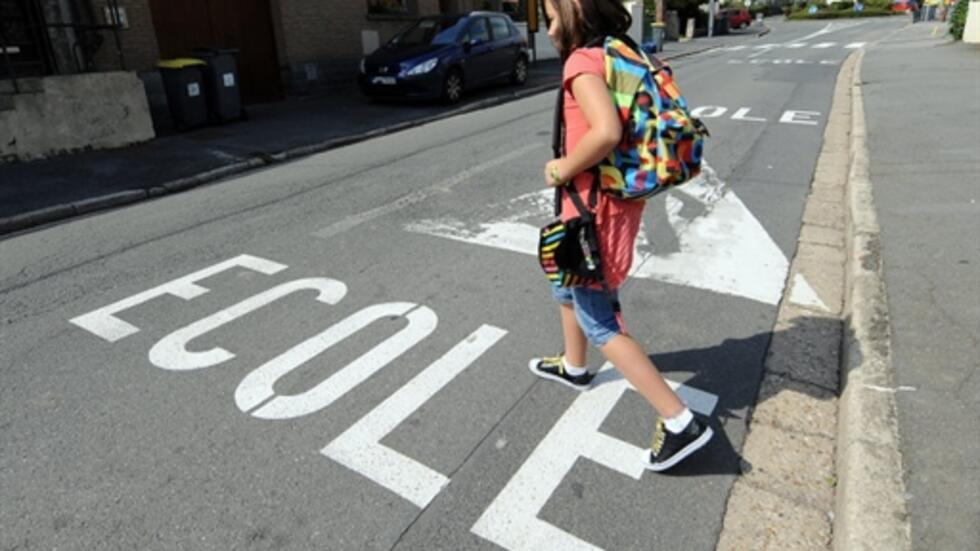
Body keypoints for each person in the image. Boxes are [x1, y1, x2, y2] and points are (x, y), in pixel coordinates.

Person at [528, 0, 714, 472]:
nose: (548, 27)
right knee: (564, 283)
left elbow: (606, 132)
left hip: (596, 206)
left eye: (550, 15)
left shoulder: (581, 61)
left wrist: (560, 168)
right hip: (602, 202)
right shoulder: (620, 50)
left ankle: (680, 423)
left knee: (599, 317)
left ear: (575, 12)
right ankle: (574, 367)